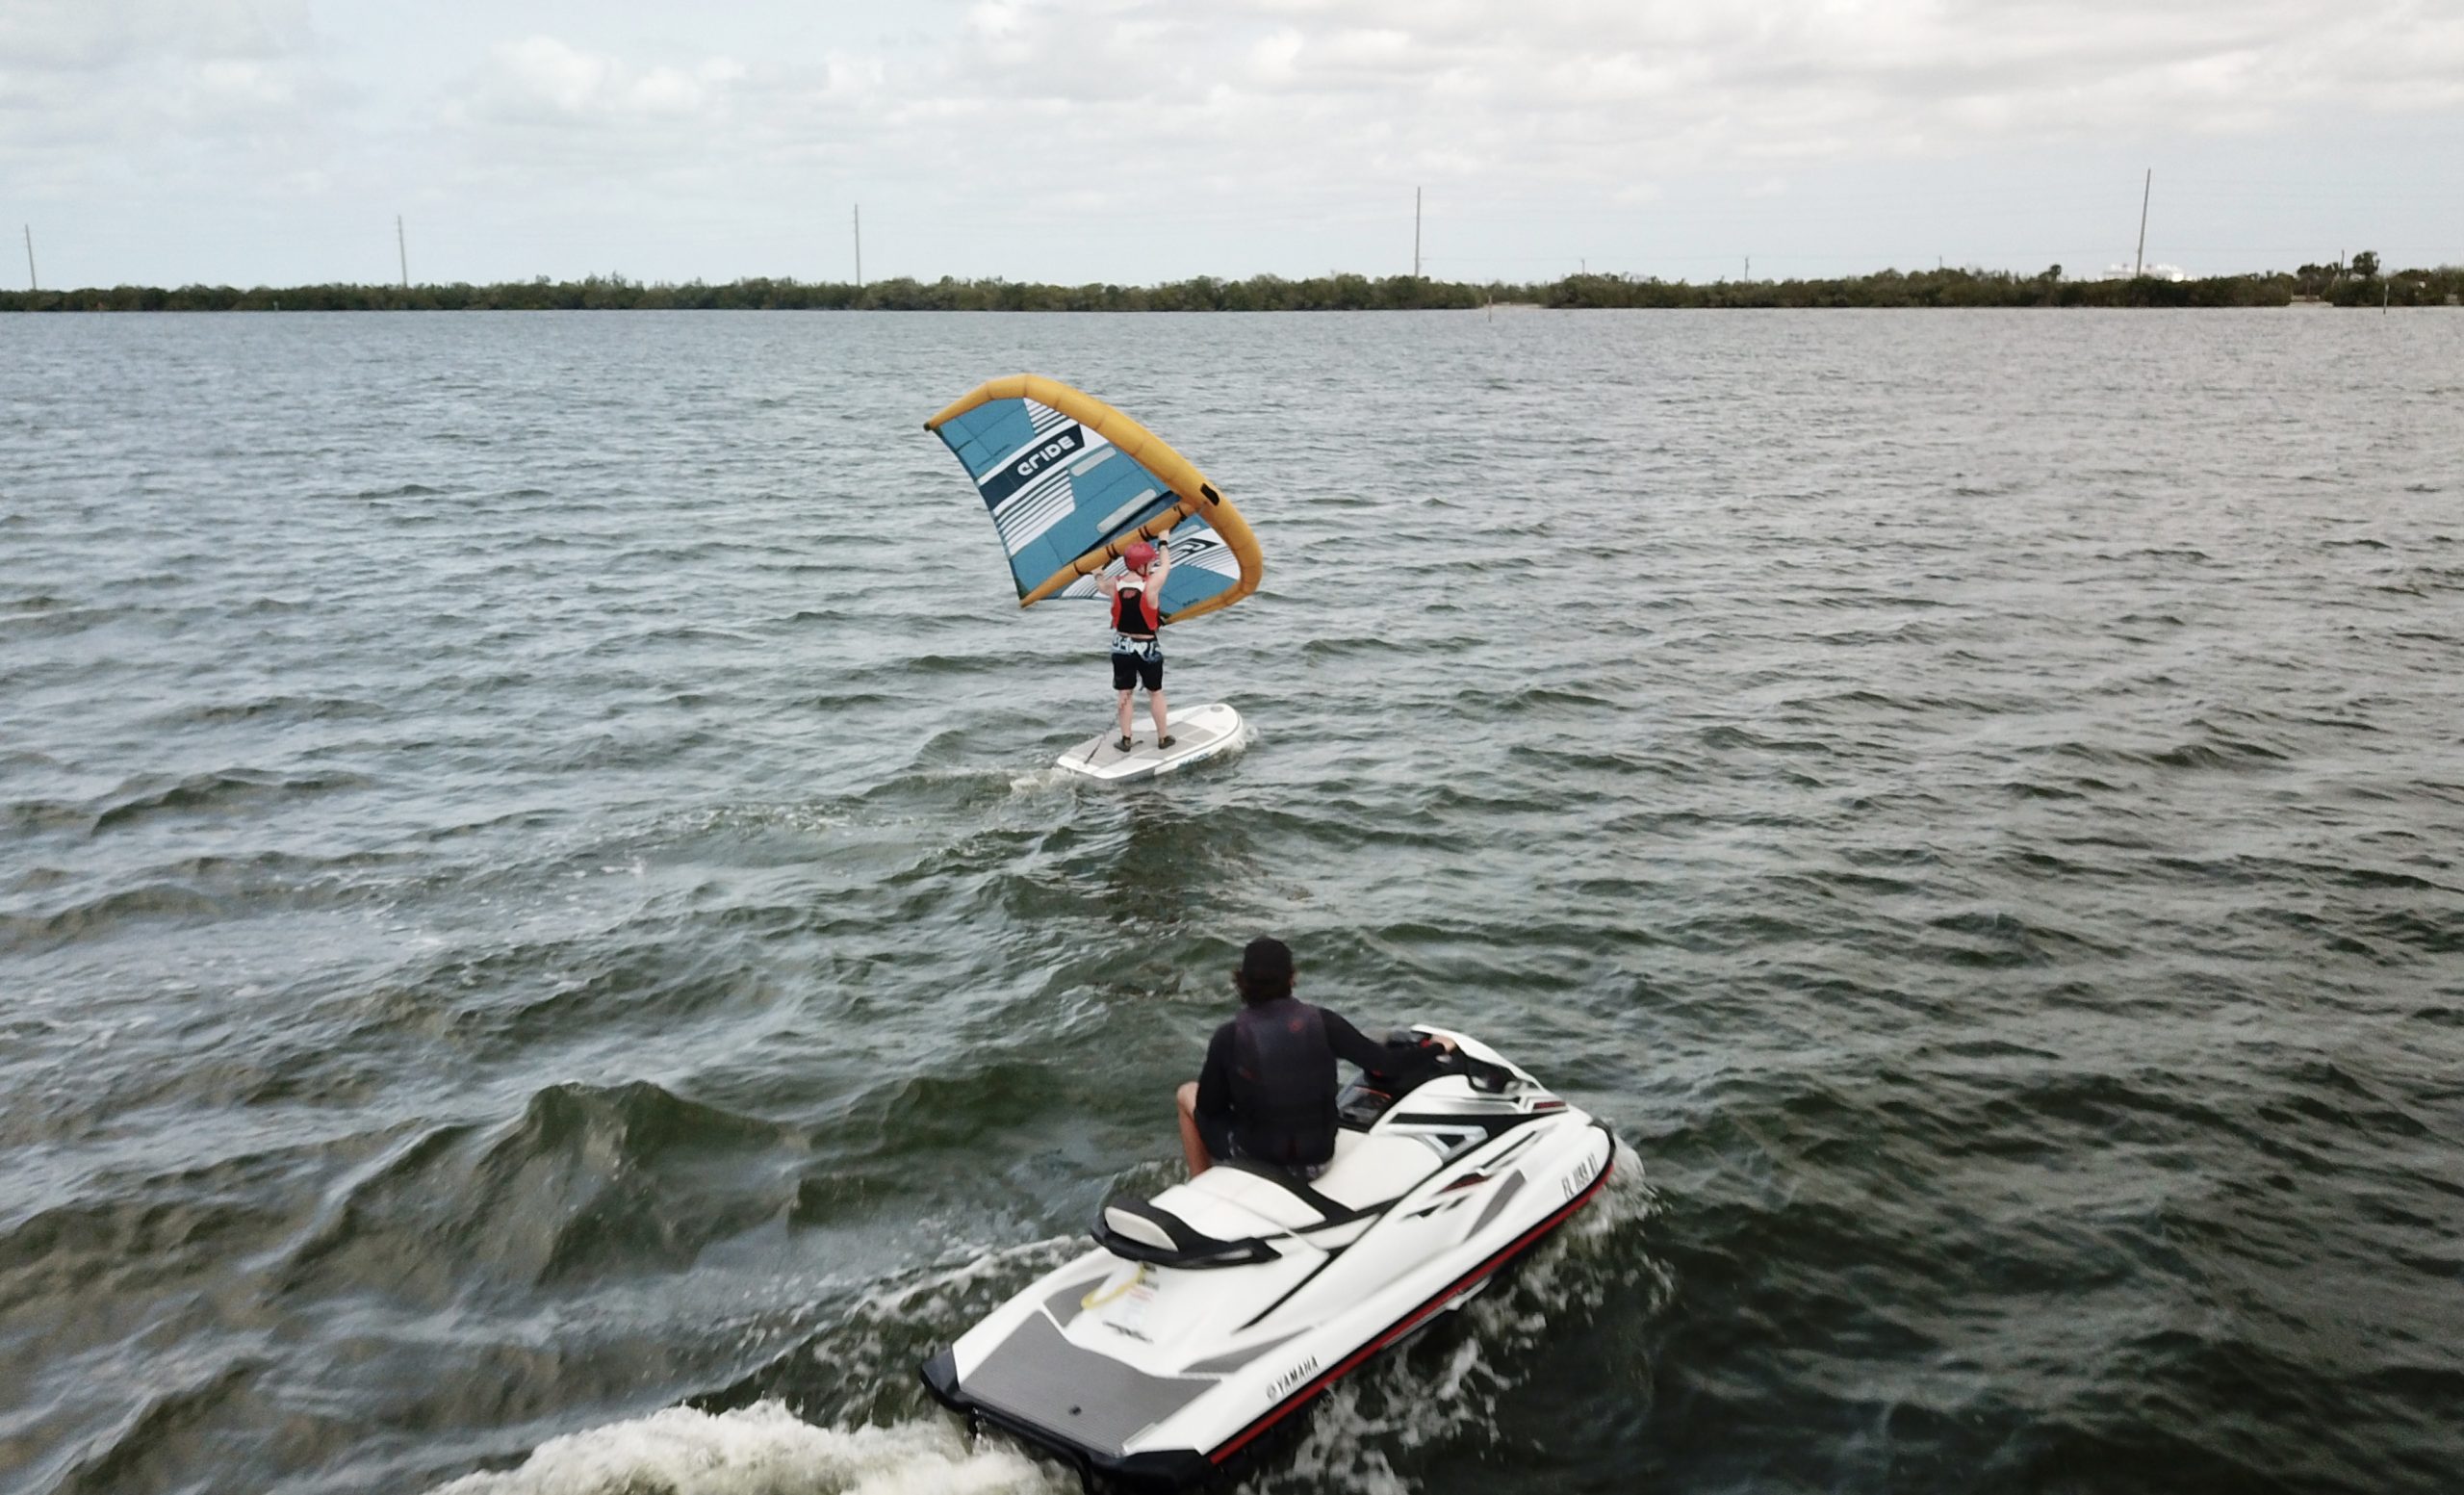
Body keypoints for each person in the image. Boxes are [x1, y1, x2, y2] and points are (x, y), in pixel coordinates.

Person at [1174, 936, 1451, 1177]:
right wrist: (1437, 1048)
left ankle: (1201, 1184)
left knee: (1187, 1093)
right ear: (1292, 978)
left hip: (1258, 1158)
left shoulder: (1229, 1036)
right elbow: (1386, 1065)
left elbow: (1208, 1108)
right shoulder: (1323, 1022)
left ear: (1241, 981)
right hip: (1318, 1161)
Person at [1096, 538, 1171, 752]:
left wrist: (1097, 572)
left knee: (1124, 693)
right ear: (1142, 566)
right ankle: (1163, 738)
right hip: (1147, 648)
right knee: (1155, 692)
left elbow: (1100, 585)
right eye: (1150, 562)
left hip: (1121, 647)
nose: (1153, 565)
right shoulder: (1151, 585)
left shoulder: (1114, 584)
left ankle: (1126, 739)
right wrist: (1163, 541)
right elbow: (1166, 565)